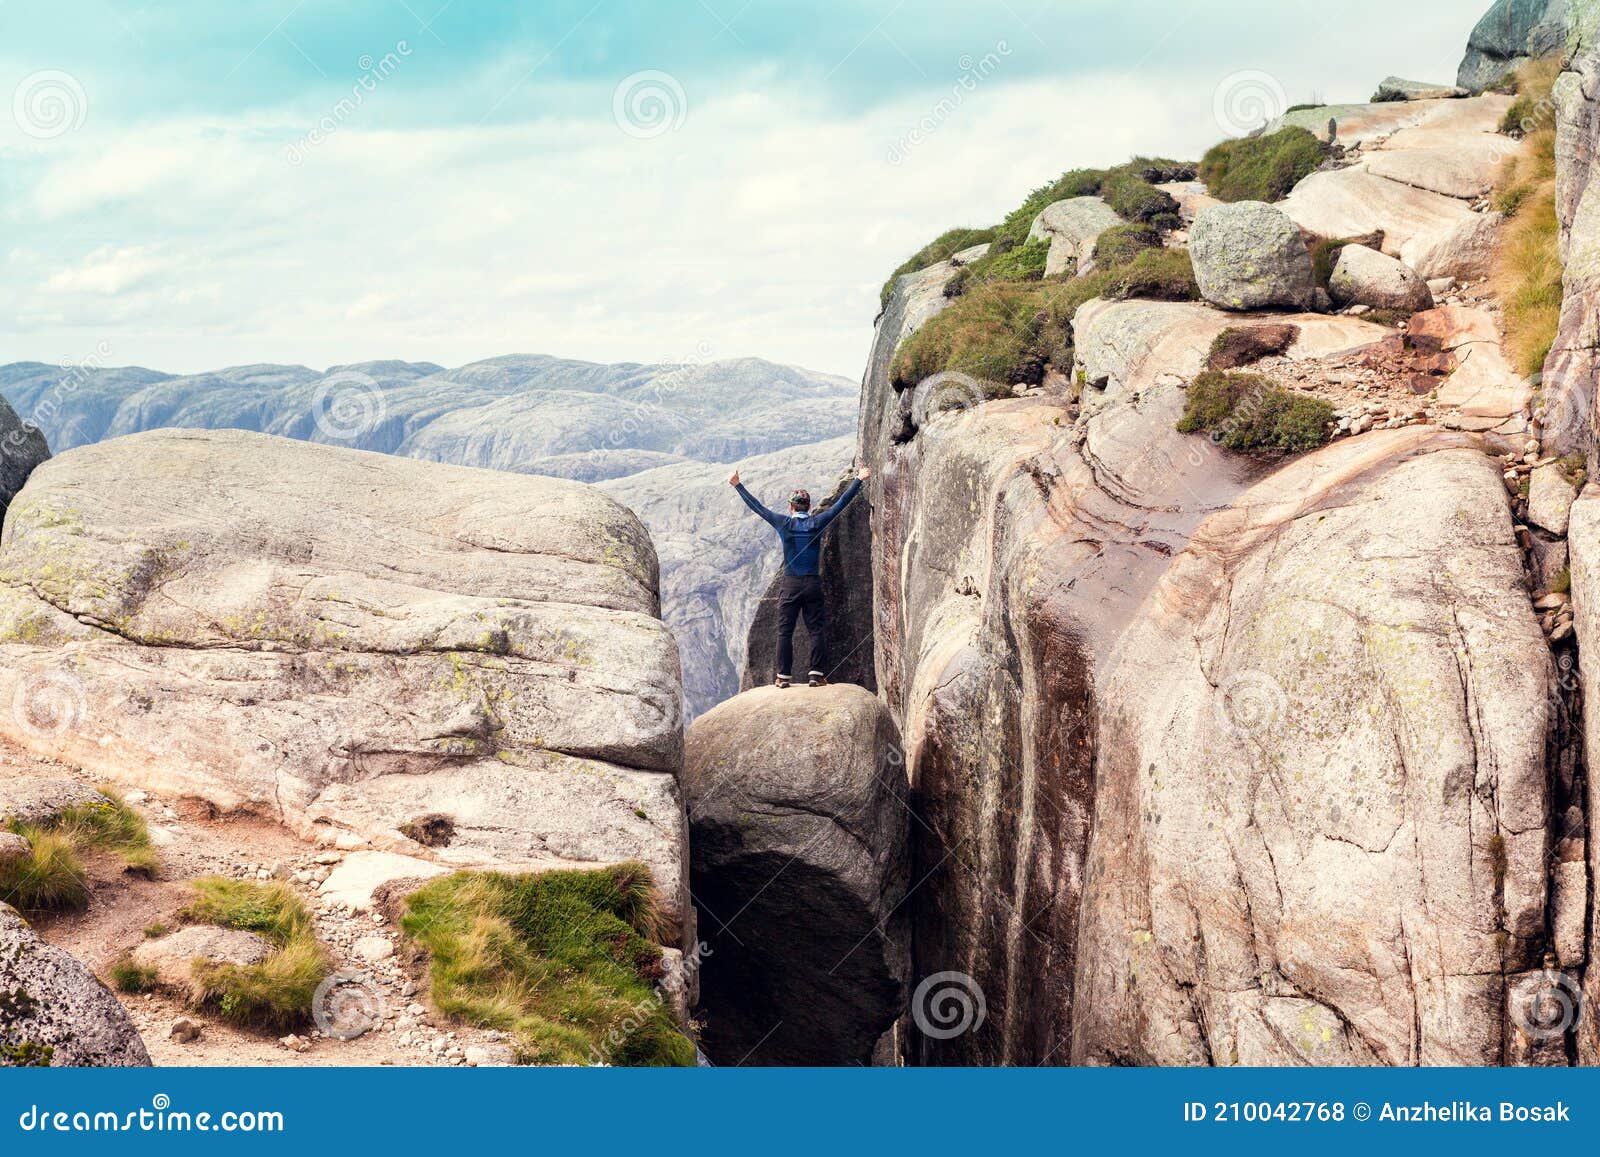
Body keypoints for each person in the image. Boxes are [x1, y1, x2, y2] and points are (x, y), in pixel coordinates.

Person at [729, 464, 871, 689]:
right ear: (810, 506)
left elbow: (758, 508)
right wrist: (859, 479)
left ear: (791, 507)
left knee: (785, 631)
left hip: (791, 584)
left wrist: (738, 485)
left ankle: (783, 676)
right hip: (813, 583)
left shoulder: (783, 523)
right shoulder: (817, 522)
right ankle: (816, 675)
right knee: (816, 629)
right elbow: (841, 504)